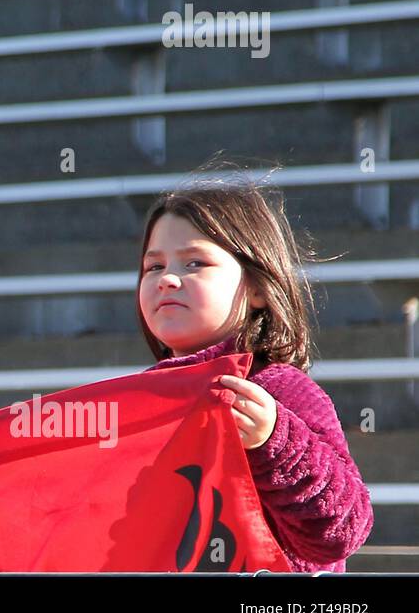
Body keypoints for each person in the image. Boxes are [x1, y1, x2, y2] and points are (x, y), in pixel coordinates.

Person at [136, 171, 373, 572]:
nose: (168, 279)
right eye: (153, 266)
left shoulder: (280, 391)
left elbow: (344, 528)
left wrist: (273, 439)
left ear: (260, 288)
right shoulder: (140, 401)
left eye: (195, 262)